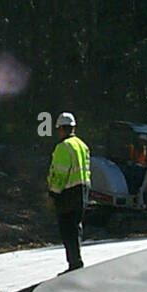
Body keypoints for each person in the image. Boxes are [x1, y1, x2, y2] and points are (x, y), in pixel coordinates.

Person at [47, 112, 90, 272]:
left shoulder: (63, 147)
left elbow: (60, 174)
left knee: (67, 229)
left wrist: (53, 195)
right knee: (76, 227)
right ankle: (76, 261)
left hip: (68, 193)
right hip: (82, 191)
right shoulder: (82, 145)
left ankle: (74, 264)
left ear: (60, 129)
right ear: (73, 127)